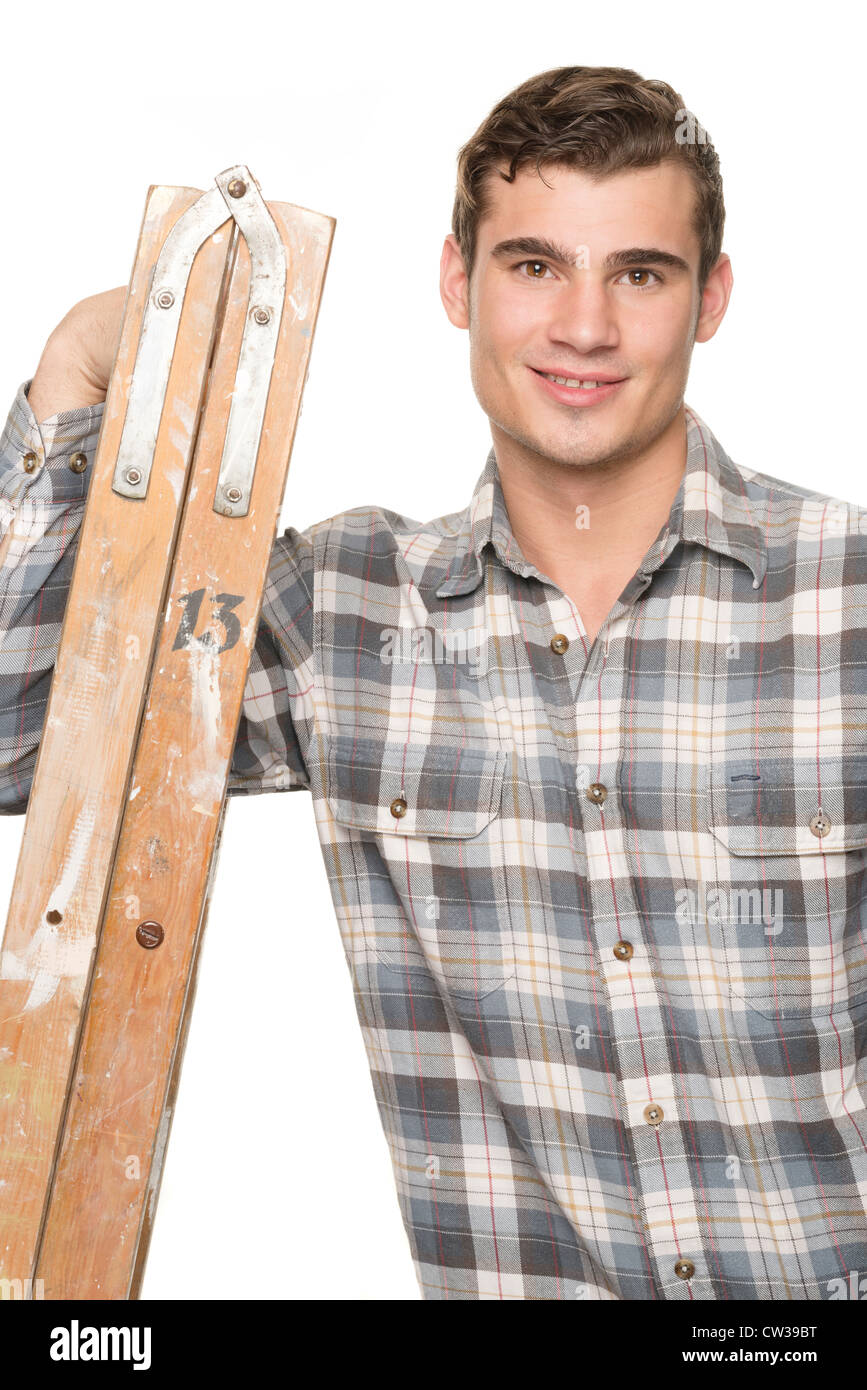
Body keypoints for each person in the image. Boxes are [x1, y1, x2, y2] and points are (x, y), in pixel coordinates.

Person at [1, 64, 865, 1301]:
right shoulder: (343, 613)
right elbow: (19, 740)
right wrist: (74, 381)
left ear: (710, 297)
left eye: (638, 272)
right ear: (457, 282)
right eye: (533, 266)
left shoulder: (849, 595)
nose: (584, 327)